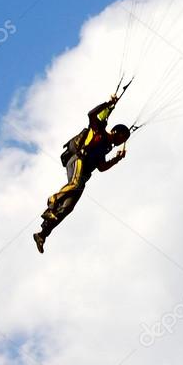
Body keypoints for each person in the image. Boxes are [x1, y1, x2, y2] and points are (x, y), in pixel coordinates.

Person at [34, 95, 130, 253]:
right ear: (118, 133)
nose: (121, 142)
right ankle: (51, 201)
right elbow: (91, 114)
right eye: (123, 138)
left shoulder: (106, 147)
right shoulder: (98, 129)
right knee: (75, 184)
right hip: (78, 160)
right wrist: (108, 103)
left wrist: (117, 159)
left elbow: (101, 167)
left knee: (67, 207)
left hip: (84, 174)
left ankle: (42, 234)